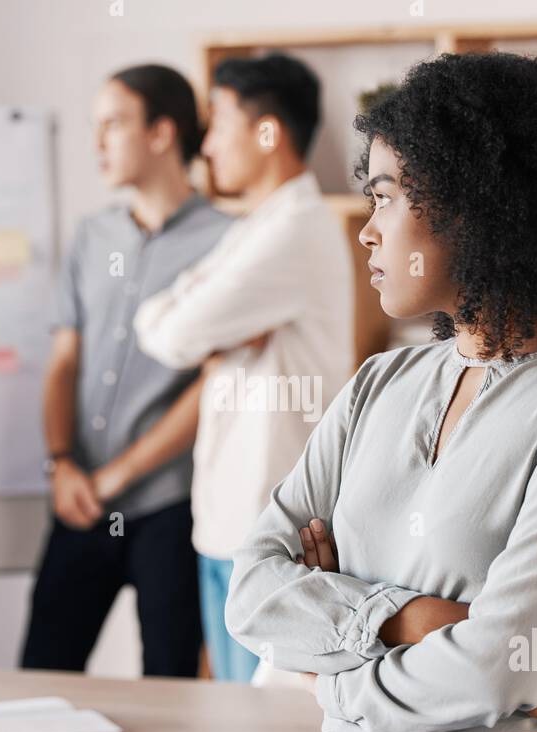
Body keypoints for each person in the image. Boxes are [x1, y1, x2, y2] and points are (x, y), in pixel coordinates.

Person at [226, 52, 537, 732]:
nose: (368, 232)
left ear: (482, 204)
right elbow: (252, 592)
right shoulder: (380, 382)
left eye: (387, 196)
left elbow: (505, 667)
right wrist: (408, 619)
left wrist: (319, 680)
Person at [134, 53, 353, 683]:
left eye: (220, 124)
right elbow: (158, 321)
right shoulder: (256, 228)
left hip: (267, 529)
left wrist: (207, 331)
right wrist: (213, 329)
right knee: (236, 722)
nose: (206, 146)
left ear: (267, 133)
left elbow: (175, 333)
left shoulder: (295, 230)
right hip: (228, 521)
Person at [19, 64, 233, 677]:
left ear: (163, 132)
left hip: (168, 506)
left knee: (172, 689)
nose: (98, 143)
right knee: (41, 673)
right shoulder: (91, 236)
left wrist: (115, 479)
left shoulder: (230, 241)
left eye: (113, 124)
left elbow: (213, 387)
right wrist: (62, 463)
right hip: (76, 495)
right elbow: (64, 363)